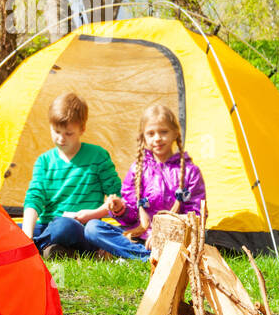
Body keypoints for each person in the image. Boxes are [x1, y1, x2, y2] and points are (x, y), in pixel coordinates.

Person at [85, 104, 205, 260]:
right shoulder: (138, 169)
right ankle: (147, 257)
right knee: (93, 228)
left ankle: (145, 256)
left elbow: (195, 215)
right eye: (151, 133)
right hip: (141, 237)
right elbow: (131, 216)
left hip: (174, 239)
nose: (157, 138)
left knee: (195, 237)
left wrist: (163, 235)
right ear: (143, 137)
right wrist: (120, 208)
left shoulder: (190, 171)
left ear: (175, 133)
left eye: (163, 132)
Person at [20, 92, 126, 260]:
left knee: (64, 227)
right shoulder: (44, 161)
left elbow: (117, 198)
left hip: (81, 227)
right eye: (56, 132)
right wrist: (27, 233)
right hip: (49, 226)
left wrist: (91, 214)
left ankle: (33, 249)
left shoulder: (98, 156)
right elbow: (34, 198)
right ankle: (54, 249)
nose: (61, 139)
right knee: (13, 228)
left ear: (82, 129)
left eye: (68, 133)